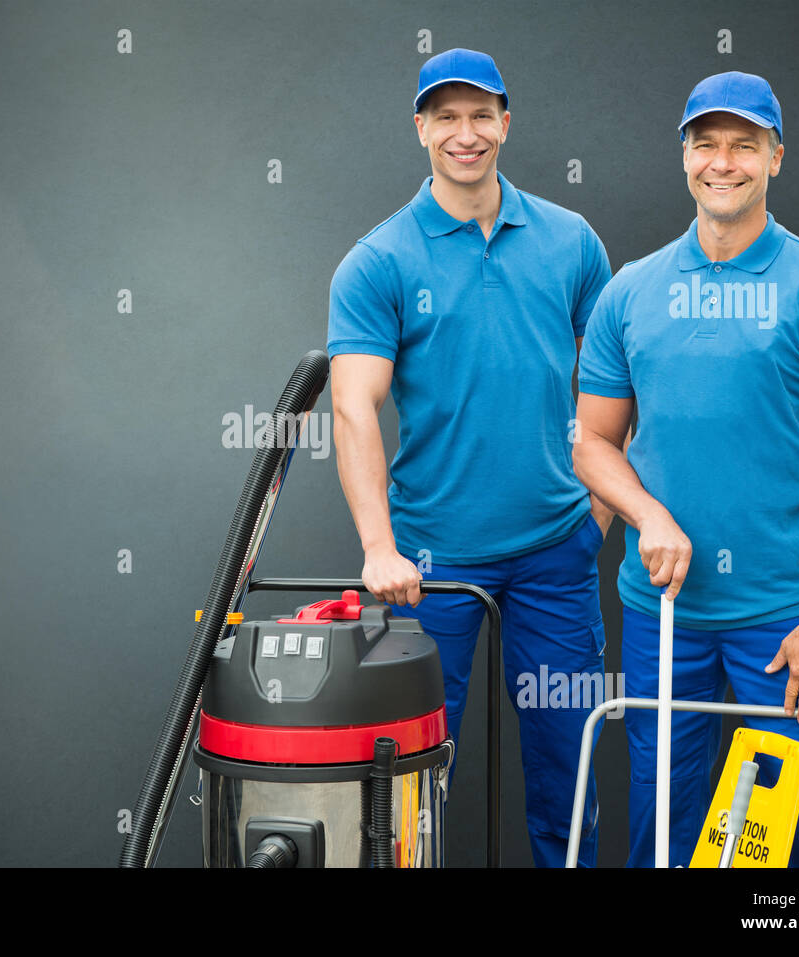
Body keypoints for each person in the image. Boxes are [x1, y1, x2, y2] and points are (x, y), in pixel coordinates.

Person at [574, 71, 799, 866]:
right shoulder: (631, 293)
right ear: (684, 158)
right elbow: (592, 442)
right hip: (662, 613)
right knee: (666, 828)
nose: (724, 161)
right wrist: (649, 515)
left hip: (782, 620)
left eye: (745, 144)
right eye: (706, 143)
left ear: (775, 156)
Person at [327, 48, 613, 867]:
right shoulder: (379, 260)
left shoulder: (569, 241)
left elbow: (614, 389)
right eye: (446, 117)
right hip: (430, 563)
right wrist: (379, 547)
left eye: (481, 115)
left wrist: (595, 516)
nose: (466, 133)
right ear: (420, 129)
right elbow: (353, 407)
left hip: (555, 555)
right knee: (412, 777)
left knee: (571, 765)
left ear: (506, 124)